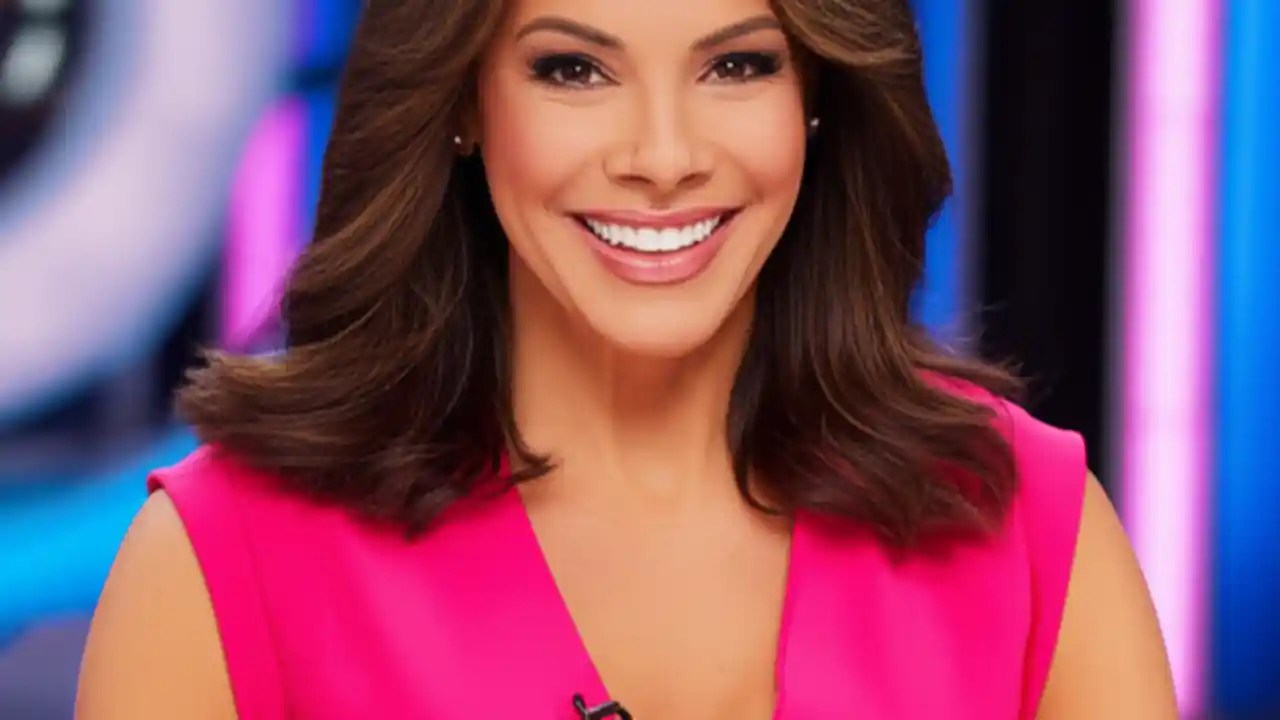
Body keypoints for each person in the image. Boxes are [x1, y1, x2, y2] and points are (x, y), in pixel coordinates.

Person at [77, 0, 1178, 717]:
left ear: (817, 101)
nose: (661, 158)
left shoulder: (1021, 525)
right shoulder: (226, 564)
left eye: (737, 64)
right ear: (464, 100)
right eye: (573, 71)